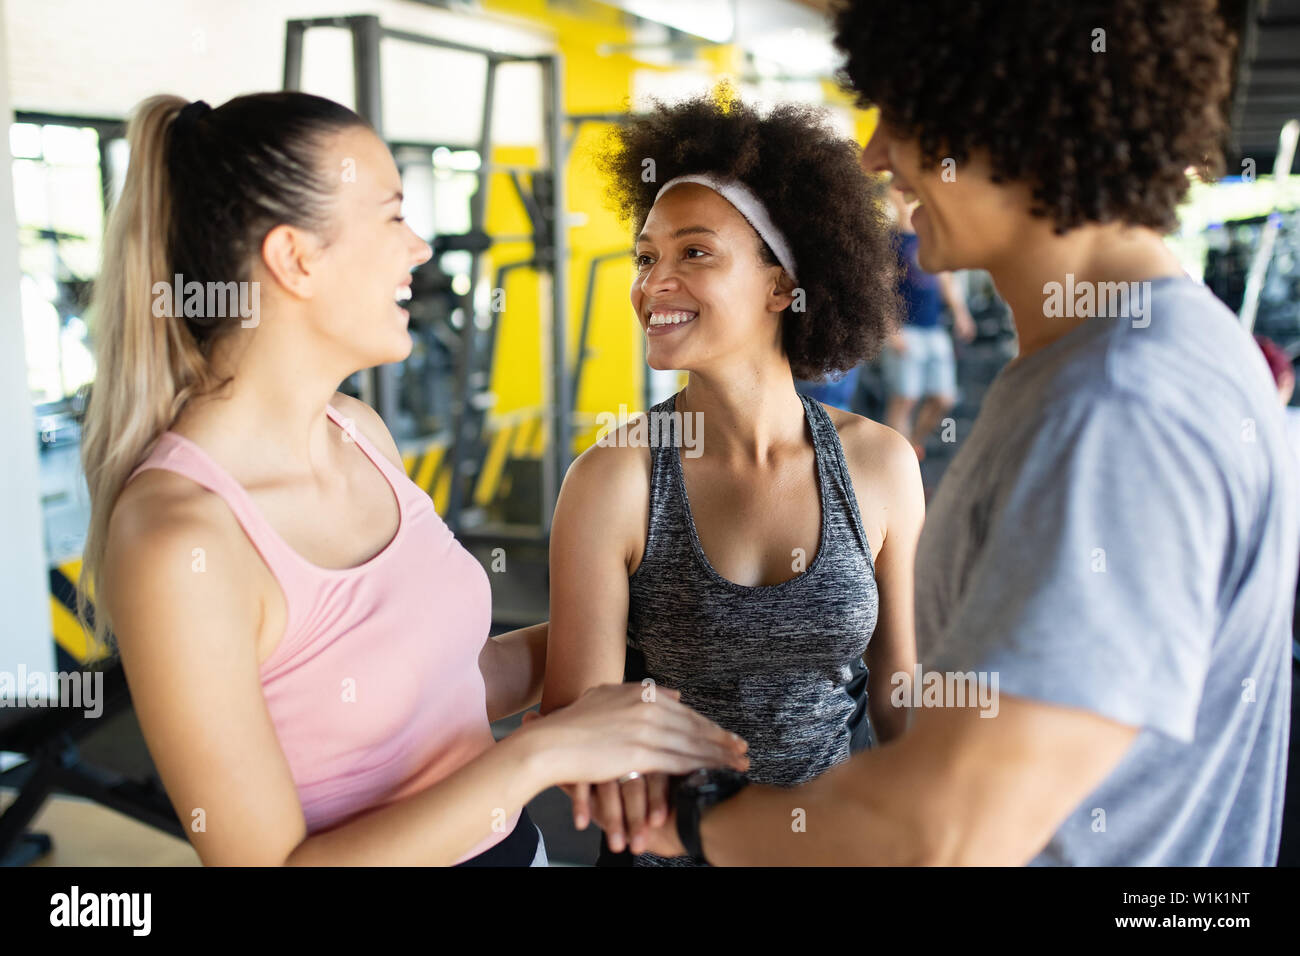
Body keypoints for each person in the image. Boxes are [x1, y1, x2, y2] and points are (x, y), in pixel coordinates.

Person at [632, 0, 1299, 866]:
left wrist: (688, 828)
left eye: (902, 116)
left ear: (1010, 111)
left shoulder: (1117, 405)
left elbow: (943, 826)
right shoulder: (1125, 355)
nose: (876, 154)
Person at [76, 91, 748, 867]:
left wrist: (649, 631)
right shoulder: (180, 538)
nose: (421, 247)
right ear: (295, 258)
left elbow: (440, 689)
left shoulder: (358, 435)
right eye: (393, 215)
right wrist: (543, 754)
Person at [539, 91, 923, 865]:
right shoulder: (614, 480)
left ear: (784, 285)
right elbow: (575, 721)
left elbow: (898, 696)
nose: (652, 284)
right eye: (646, 257)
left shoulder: (879, 464)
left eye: (694, 253)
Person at [880, 185, 975, 458]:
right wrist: (892, 330)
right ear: (892, 198)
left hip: (933, 329)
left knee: (944, 397)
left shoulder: (929, 236)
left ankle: (912, 444)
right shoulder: (890, 240)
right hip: (906, 329)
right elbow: (882, 288)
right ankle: (895, 457)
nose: (905, 198)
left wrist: (961, 312)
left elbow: (945, 278)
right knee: (905, 398)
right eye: (898, 192)